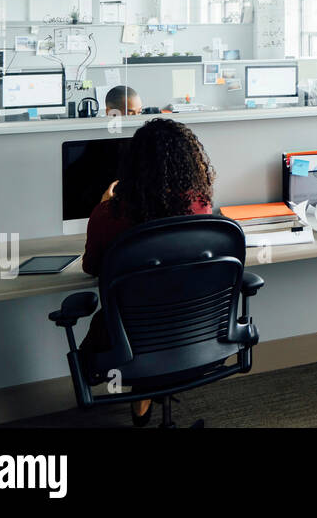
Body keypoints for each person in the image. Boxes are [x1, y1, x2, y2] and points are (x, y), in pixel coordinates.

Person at [81, 117, 216, 424]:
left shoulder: (109, 214)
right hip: (191, 329)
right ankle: (147, 393)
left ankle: (142, 397)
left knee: (136, 322)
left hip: (127, 336)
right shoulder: (200, 207)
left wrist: (102, 206)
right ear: (188, 162)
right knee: (156, 315)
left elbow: (91, 268)